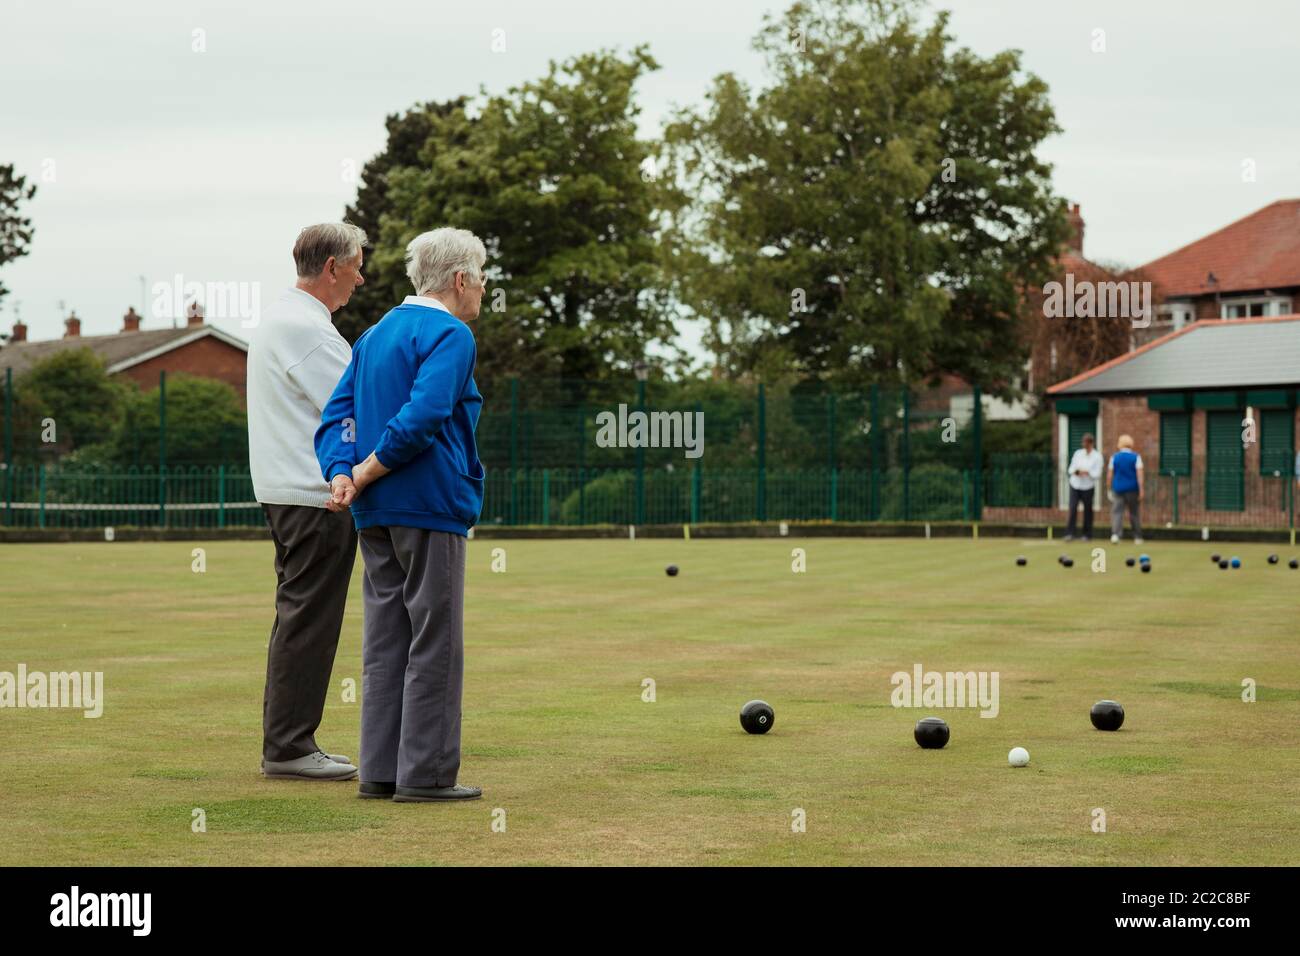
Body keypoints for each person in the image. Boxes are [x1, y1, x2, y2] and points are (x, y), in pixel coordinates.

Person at [315, 227, 486, 803]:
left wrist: (342, 470)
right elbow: (426, 415)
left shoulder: (372, 335)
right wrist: (364, 470)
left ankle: (380, 773)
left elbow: (338, 414)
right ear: (460, 279)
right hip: (428, 503)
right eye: (481, 277)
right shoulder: (451, 334)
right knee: (435, 640)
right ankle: (427, 776)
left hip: (374, 513)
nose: (483, 289)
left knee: (387, 641)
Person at [247, 222, 366, 781]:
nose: (360, 279)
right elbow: (357, 403)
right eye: (357, 266)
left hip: (288, 490)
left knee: (300, 615)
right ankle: (290, 747)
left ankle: (290, 741)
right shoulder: (308, 330)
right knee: (309, 619)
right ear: (332, 268)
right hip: (313, 494)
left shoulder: (284, 317)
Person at [1064, 432, 1102, 541]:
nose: (1084, 444)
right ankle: (1070, 533)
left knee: (1088, 510)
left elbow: (1097, 474)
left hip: (1088, 486)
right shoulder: (1078, 453)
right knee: (1073, 508)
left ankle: (1087, 534)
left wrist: (1088, 472)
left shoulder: (1097, 456)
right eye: (1083, 442)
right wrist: (1077, 472)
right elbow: (1071, 469)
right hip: (1075, 485)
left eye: (1086, 442)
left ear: (1091, 443)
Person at [1108, 433, 1144, 545]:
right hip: (1133, 488)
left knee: (1117, 512)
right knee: (1134, 512)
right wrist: (1141, 489)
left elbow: (1109, 475)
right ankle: (1137, 536)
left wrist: (1109, 488)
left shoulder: (1114, 457)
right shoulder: (1136, 457)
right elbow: (1140, 474)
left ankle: (1115, 535)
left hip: (1118, 488)